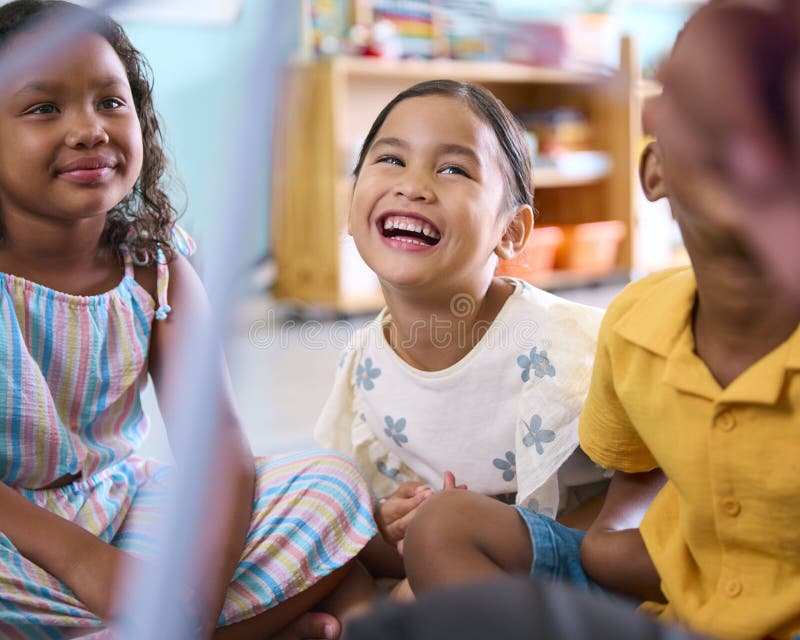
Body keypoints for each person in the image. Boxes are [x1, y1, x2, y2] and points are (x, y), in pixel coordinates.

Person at [0, 2, 376, 638]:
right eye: (44, 108)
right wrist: (89, 562)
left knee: (330, 484)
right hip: (15, 535)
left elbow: (216, 450)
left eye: (110, 103)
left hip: (126, 506)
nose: (90, 130)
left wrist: (191, 600)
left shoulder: (154, 267)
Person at [314, 79, 606, 598]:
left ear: (511, 231)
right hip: (447, 551)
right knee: (325, 542)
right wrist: (392, 519)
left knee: (420, 571)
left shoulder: (567, 344)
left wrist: (481, 533)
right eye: (390, 161)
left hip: (577, 558)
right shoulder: (364, 364)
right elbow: (366, 523)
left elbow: (651, 491)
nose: (413, 186)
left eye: (453, 169)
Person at [577, 1, 800, 638]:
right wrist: (612, 550)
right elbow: (620, 513)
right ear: (654, 169)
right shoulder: (635, 326)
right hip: (685, 596)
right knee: (451, 531)